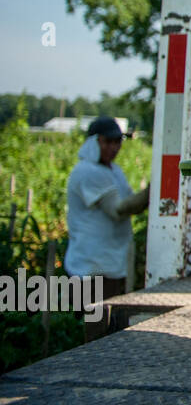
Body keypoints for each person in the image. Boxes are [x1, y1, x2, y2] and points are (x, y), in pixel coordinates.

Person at [65, 117, 149, 340]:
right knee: (95, 325)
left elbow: (130, 201)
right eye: (108, 142)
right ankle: (87, 364)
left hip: (107, 262)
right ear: (94, 142)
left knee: (104, 322)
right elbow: (118, 209)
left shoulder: (113, 171)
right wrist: (152, 191)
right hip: (91, 266)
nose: (114, 148)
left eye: (117, 142)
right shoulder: (88, 172)